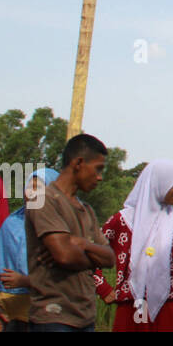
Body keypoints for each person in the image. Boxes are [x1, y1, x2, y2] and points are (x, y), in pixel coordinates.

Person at [94, 160, 173, 332]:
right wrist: (103, 289)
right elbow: (90, 255)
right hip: (131, 305)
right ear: (158, 184)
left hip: (166, 304)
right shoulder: (122, 220)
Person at [26, 134, 115, 332]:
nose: (99, 177)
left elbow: (110, 258)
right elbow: (64, 256)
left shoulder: (87, 210)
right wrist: (93, 256)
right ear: (79, 163)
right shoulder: (45, 200)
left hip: (84, 317)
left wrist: (82, 244)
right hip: (54, 316)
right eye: (98, 169)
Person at [0, 168, 58, 331]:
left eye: (38, 188)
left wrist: (24, 281)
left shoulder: (57, 230)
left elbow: (63, 278)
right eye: (29, 187)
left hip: (42, 306)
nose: (31, 193)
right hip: (6, 305)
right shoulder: (11, 223)